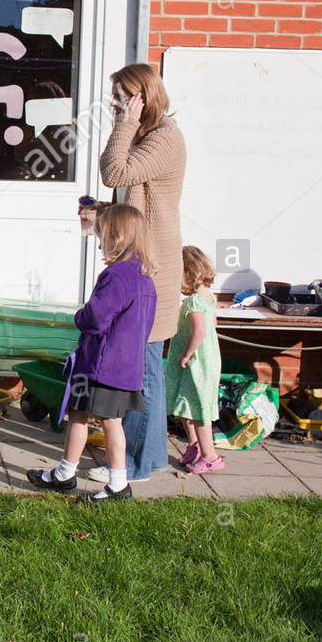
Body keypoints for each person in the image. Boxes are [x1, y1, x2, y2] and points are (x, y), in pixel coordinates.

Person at [27, 204, 157, 502]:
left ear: (116, 237)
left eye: (102, 236)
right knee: (80, 414)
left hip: (100, 365)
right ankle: (65, 474)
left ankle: (118, 485)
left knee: (103, 421)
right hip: (124, 366)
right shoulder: (144, 278)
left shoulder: (117, 275)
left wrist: (79, 316)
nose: (99, 242)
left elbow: (96, 318)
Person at [97, 63, 186, 484]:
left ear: (141, 97)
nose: (115, 105)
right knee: (143, 363)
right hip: (142, 264)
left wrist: (125, 124)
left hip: (156, 269)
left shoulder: (165, 137)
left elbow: (115, 171)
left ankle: (136, 463)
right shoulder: (147, 135)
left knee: (145, 367)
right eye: (115, 97)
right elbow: (120, 179)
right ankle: (144, 459)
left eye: (121, 97)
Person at [166, 246, 224, 473]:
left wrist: (187, 354)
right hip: (207, 361)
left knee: (199, 410)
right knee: (186, 405)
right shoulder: (209, 297)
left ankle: (210, 456)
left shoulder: (192, 302)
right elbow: (213, 326)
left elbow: (199, 331)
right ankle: (195, 446)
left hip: (196, 364)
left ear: (187, 274)